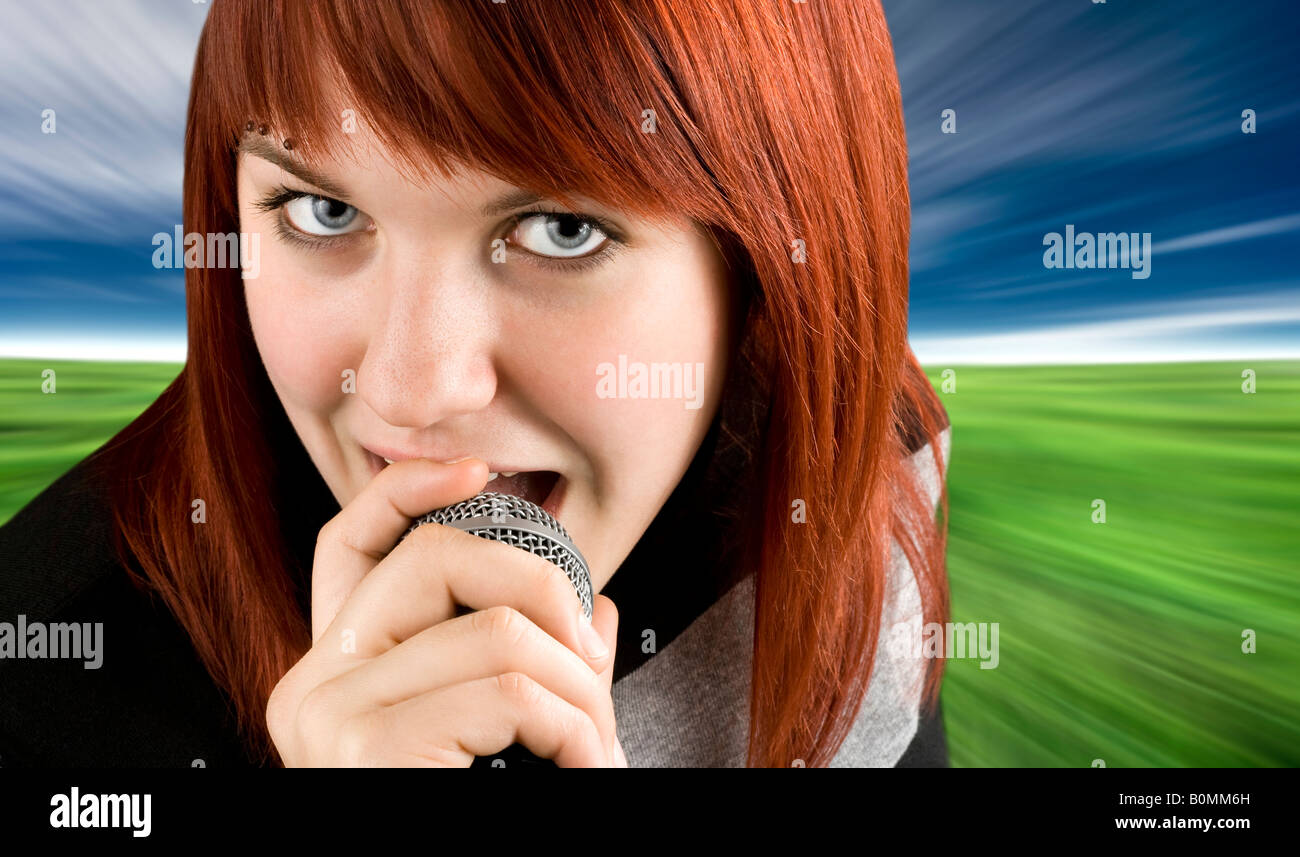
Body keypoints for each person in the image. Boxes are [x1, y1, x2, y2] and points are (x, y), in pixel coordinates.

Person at [0, 0, 951, 767]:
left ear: (767, 270)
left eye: (559, 230)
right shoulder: (46, 682)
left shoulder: (869, 473)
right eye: (323, 209)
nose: (408, 392)